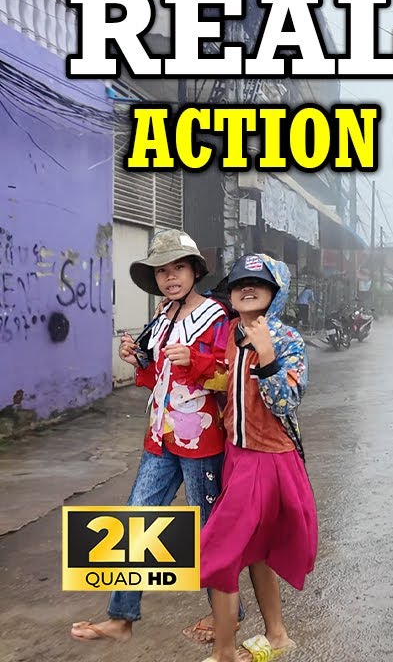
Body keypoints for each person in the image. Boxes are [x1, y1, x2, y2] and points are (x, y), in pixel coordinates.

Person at [71, 230, 243, 646]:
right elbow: (160, 380)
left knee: (205, 534)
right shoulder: (163, 318)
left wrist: (198, 360)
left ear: (194, 271)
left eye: (178, 268)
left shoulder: (217, 318)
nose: (170, 278)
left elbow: (229, 379)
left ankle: (230, 616)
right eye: (162, 271)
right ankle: (122, 617)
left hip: (203, 446)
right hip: (160, 440)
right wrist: (137, 363)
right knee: (136, 518)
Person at [200, 253, 316, 662]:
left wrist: (267, 356)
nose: (247, 288)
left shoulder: (287, 340)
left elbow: (287, 403)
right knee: (257, 554)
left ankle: (224, 653)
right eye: (239, 283)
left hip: (268, 460)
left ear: (274, 293)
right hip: (235, 456)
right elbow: (217, 390)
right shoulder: (227, 334)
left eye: (259, 283)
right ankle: (278, 636)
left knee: (218, 552)